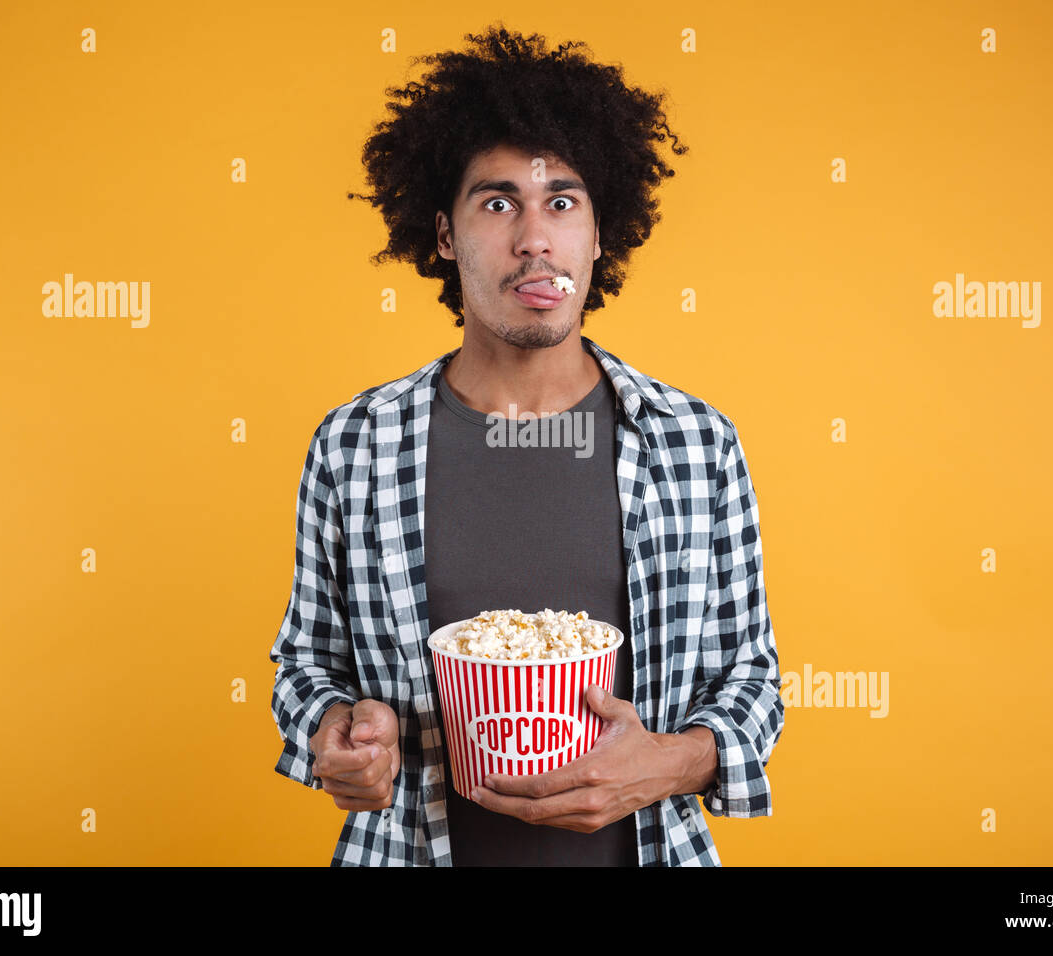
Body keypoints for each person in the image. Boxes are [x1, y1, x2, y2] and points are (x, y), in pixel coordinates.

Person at [269, 23, 783, 866]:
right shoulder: (355, 443)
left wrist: (673, 761)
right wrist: (336, 732)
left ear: (598, 234)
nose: (535, 238)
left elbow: (754, 679)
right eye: (499, 202)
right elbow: (306, 661)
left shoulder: (696, 443)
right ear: (443, 234)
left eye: (563, 203)